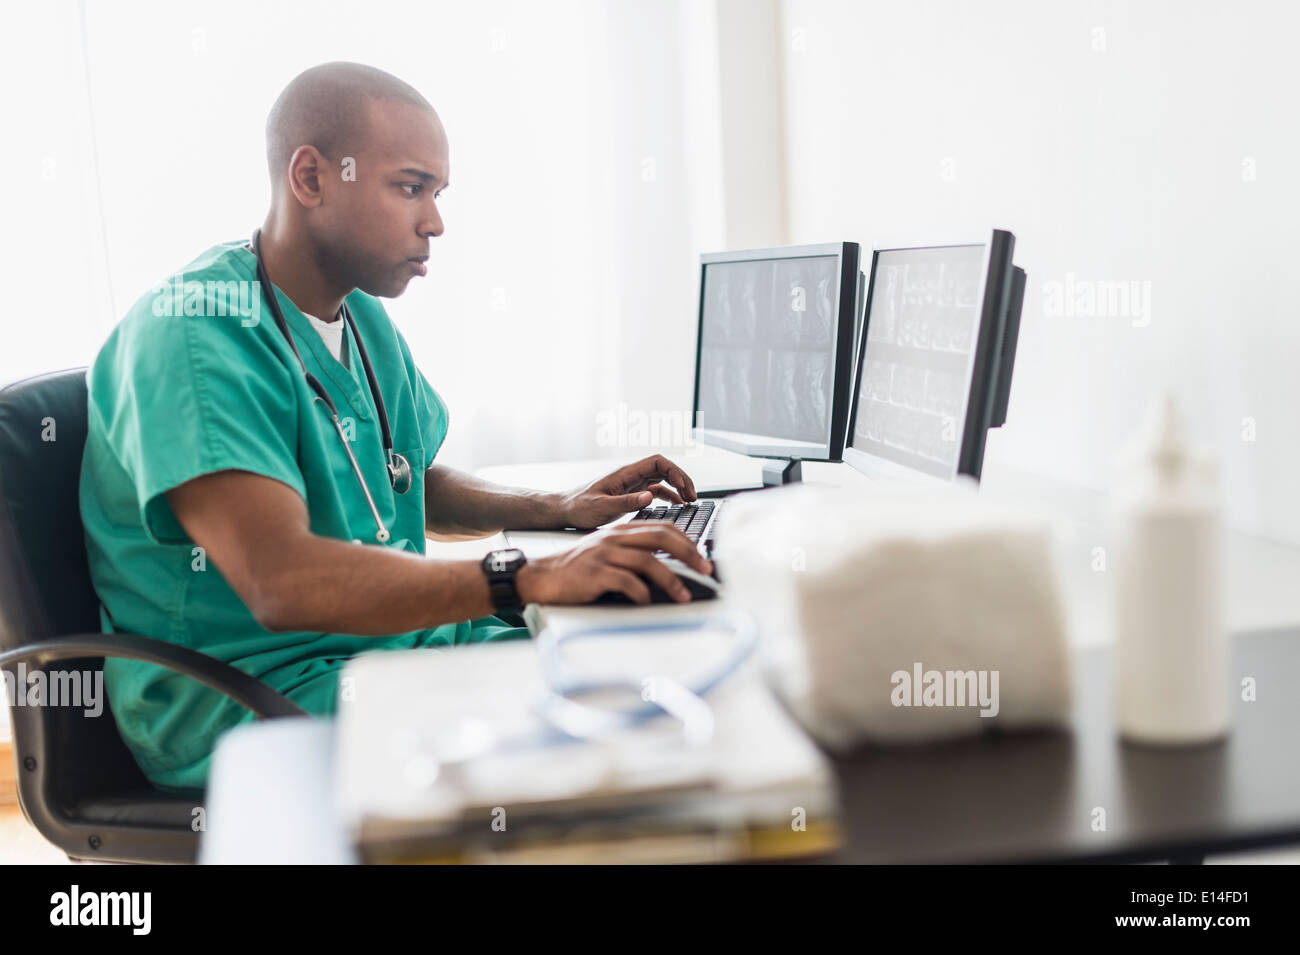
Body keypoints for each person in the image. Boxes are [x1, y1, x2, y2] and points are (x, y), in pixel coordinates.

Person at [78, 61, 711, 794]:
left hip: (385, 642)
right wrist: (524, 575)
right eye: (410, 188)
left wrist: (557, 511)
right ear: (310, 179)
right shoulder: (193, 335)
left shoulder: (360, 317)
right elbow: (279, 580)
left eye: (437, 194)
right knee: (613, 738)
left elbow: (402, 475)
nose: (435, 222)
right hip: (254, 695)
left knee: (650, 650)